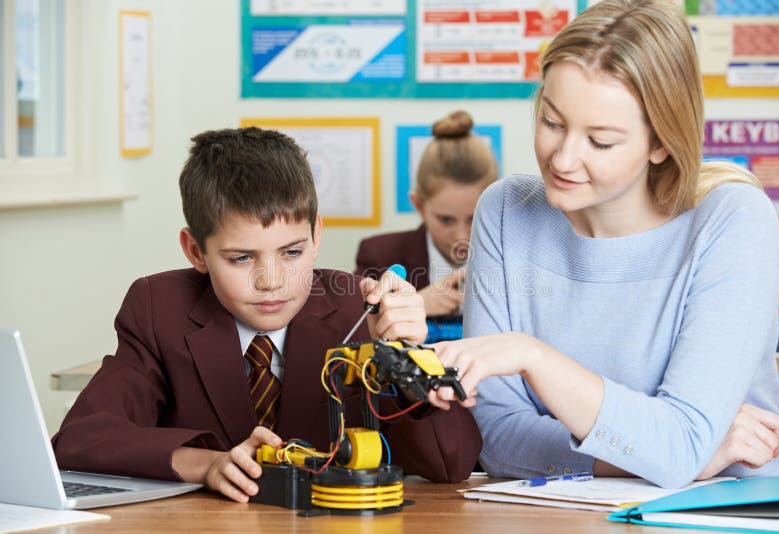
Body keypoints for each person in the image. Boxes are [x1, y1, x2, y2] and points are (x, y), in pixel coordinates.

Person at [428, 0, 779, 488]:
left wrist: (532, 356)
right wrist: (661, 454)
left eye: (600, 141)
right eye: (552, 122)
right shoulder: (505, 211)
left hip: (731, 506)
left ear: (661, 142)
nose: (563, 158)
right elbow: (500, 440)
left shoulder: (731, 216)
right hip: (568, 512)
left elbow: (682, 444)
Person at [52, 127, 481, 503]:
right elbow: (79, 439)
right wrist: (206, 464)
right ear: (195, 251)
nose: (271, 281)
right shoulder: (159, 307)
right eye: (241, 258)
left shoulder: (359, 307)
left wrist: (409, 356)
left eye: (292, 252)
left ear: (316, 235)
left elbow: (453, 464)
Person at [356, 110, 498, 320]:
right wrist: (412, 305)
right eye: (446, 220)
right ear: (419, 206)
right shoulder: (379, 256)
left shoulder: (518, 259)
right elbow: (347, 334)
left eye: (473, 218)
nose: (461, 235)